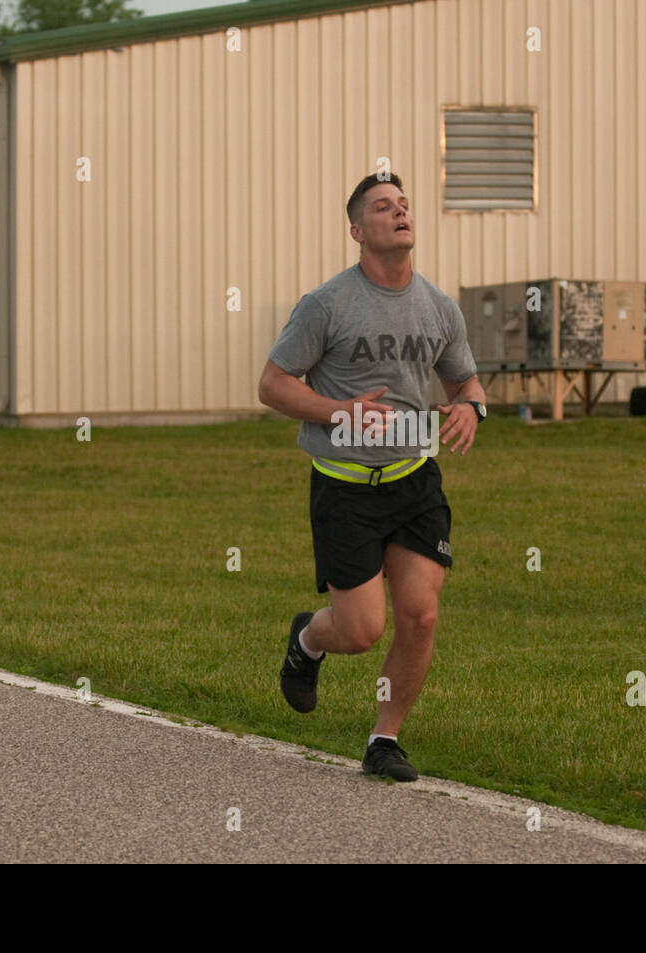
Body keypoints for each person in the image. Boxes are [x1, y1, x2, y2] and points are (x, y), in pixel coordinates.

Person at [258, 172, 488, 782]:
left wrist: (470, 406)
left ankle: (384, 740)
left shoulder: (439, 307)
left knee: (421, 615)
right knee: (360, 631)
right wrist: (342, 413)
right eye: (383, 207)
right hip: (344, 486)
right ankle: (308, 640)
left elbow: (466, 381)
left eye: (404, 205)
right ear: (358, 231)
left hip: (415, 481)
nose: (399, 212)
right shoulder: (326, 305)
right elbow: (273, 384)